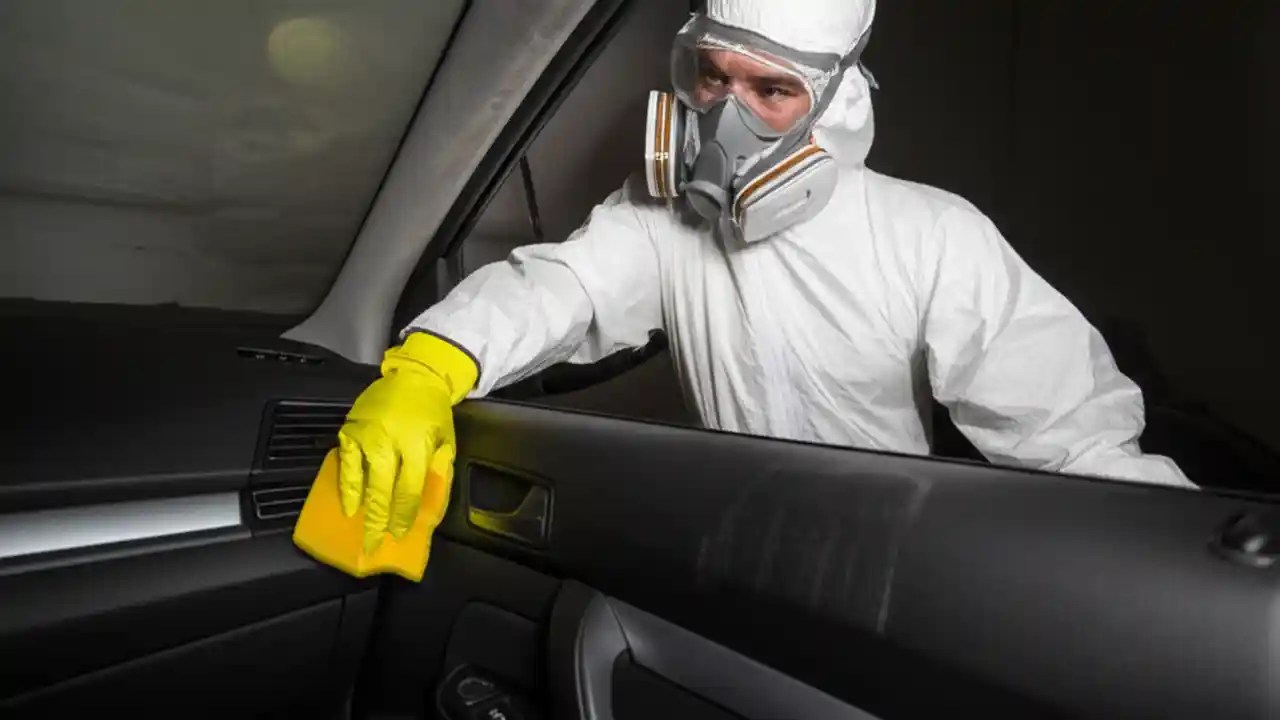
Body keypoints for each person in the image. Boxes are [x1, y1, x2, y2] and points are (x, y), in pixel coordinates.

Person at [336, 0, 1196, 553]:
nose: (726, 116)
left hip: (892, 565)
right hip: (731, 549)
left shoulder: (933, 234)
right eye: (714, 76)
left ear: (837, 100)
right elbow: (560, 289)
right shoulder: (662, 217)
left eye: (772, 89)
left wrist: (1177, 570)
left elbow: (1076, 444)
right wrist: (432, 363)